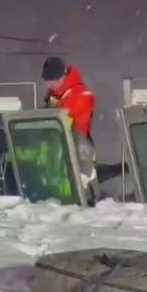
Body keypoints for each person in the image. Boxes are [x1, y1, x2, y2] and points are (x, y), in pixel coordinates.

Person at [41, 56, 98, 201]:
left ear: (61, 77)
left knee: (78, 196)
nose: (48, 86)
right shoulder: (56, 95)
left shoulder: (79, 95)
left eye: (51, 81)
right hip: (59, 157)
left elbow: (68, 124)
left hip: (76, 158)